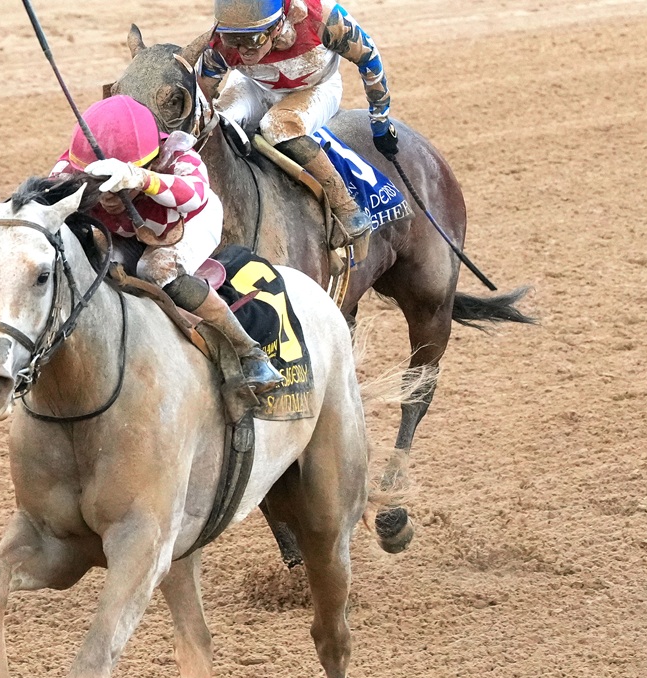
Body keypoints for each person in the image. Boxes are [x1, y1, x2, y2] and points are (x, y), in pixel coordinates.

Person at [51, 95, 283, 393]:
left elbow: (195, 194)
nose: (107, 197)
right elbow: (46, 202)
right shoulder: (71, 165)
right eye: (99, 182)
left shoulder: (177, 155)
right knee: (94, 262)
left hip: (189, 223)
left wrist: (141, 180)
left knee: (155, 269)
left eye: (115, 185)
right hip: (125, 233)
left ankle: (249, 353)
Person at [203, 0, 399, 246]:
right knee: (219, 120)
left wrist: (380, 121)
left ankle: (346, 205)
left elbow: (368, 57)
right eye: (234, 40)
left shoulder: (323, 19)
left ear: (277, 28)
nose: (242, 51)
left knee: (278, 125)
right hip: (253, 85)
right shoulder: (223, 37)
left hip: (317, 87)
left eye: (252, 39)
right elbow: (204, 94)